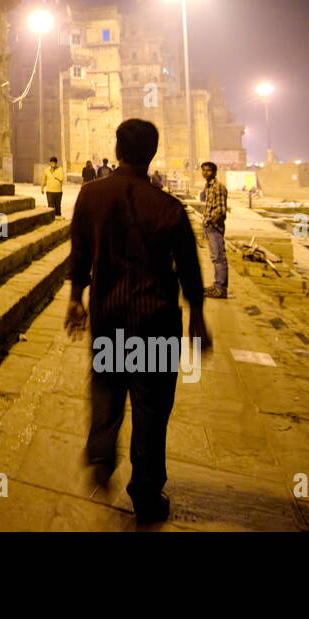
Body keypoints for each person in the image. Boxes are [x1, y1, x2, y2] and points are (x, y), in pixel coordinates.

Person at [65, 119, 211, 524]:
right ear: (151, 153)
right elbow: (189, 271)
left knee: (107, 384)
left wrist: (75, 299)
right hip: (156, 321)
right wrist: (197, 318)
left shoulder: (91, 196)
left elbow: (79, 252)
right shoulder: (168, 208)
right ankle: (146, 493)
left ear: (117, 148)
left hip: (109, 313)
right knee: (151, 407)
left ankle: (100, 451)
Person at [200, 161, 230, 298]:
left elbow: (221, 210)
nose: (205, 173)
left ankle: (221, 289)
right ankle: (217, 285)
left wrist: (210, 222)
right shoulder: (208, 187)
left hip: (214, 228)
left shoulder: (218, 187)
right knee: (215, 258)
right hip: (209, 227)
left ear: (214, 172)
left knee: (219, 258)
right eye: (203, 170)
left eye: (208, 170)